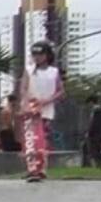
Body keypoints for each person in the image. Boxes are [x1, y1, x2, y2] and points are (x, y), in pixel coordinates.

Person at [21, 43, 64, 181]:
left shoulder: (54, 72)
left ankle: (42, 169)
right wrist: (27, 103)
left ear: (47, 55)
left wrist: (47, 100)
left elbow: (61, 91)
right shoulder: (29, 70)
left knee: (43, 140)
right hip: (31, 110)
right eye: (35, 55)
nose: (37, 57)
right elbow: (23, 88)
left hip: (46, 110)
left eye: (40, 54)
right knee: (31, 139)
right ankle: (32, 169)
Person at [84, 95, 101, 169]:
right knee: (94, 150)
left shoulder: (98, 111)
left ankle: (99, 166)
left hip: (96, 134)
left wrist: (89, 132)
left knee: (96, 150)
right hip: (96, 134)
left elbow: (95, 124)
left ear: (91, 102)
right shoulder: (95, 111)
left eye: (89, 103)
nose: (88, 106)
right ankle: (97, 165)